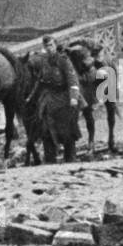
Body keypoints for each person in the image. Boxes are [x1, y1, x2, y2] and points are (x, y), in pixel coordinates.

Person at [26, 35, 81, 163]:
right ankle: (50, 160)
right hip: (49, 100)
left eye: (51, 45)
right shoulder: (44, 61)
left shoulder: (63, 60)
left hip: (63, 99)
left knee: (67, 131)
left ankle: (70, 159)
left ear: (55, 45)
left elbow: (72, 80)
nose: (49, 48)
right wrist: (30, 97)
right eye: (46, 46)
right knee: (46, 130)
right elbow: (40, 81)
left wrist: (73, 98)